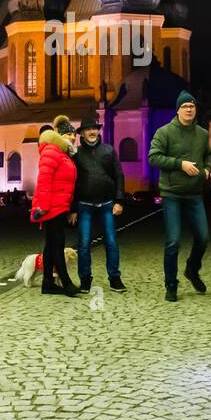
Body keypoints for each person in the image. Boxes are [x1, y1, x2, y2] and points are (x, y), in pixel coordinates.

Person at [148, 91, 211, 302]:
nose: (189, 109)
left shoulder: (202, 133)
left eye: (192, 106)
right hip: (172, 193)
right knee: (173, 241)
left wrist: (207, 170)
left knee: (203, 237)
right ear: (177, 110)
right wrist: (179, 164)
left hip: (194, 194)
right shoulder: (164, 132)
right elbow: (154, 157)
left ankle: (192, 269)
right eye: (185, 106)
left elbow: (208, 155)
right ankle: (171, 284)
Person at [69, 116, 126, 292]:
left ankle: (115, 278)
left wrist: (119, 201)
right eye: (88, 129)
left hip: (107, 204)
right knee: (84, 244)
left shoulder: (108, 150)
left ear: (98, 131)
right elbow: (72, 181)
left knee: (111, 241)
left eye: (95, 128)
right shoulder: (76, 154)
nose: (92, 132)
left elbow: (119, 176)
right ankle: (85, 280)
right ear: (82, 134)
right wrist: (72, 209)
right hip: (84, 205)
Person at [31, 115, 80, 297]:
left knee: (51, 245)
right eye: (68, 134)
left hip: (59, 205)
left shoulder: (62, 153)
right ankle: (66, 282)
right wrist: (42, 207)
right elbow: (44, 180)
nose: (73, 138)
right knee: (57, 244)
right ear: (59, 135)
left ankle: (48, 283)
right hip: (50, 206)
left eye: (74, 134)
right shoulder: (52, 150)